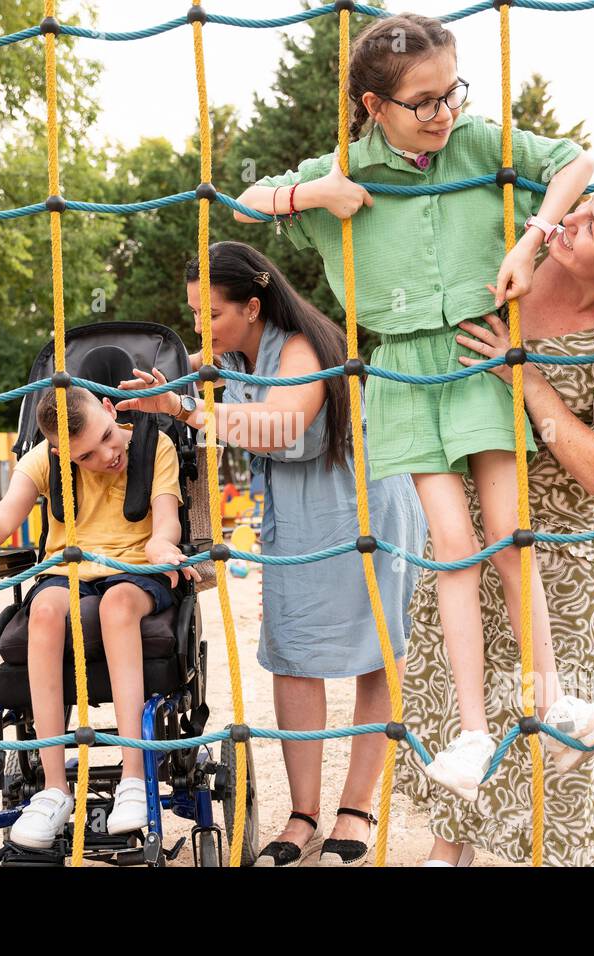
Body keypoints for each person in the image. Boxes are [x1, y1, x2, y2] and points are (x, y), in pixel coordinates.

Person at [233, 13, 594, 800]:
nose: (444, 112)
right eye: (423, 101)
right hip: (403, 371)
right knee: (451, 547)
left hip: (480, 353)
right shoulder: (344, 169)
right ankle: (473, 736)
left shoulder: (477, 143)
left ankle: (556, 705)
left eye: (452, 92)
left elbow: (577, 161)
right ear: (375, 106)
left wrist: (530, 241)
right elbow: (244, 203)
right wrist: (318, 192)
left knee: (510, 538)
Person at [396, 164, 594, 866]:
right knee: (459, 696)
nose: (571, 221)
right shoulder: (524, 249)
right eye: (586, 207)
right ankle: (447, 851)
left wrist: (526, 378)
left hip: (561, 552)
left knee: (551, 715)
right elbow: (560, 168)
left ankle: (555, 856)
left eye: (592, 225)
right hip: (469, 528)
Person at [117, 241, 426, 866]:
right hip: (295, 517)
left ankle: (357, 807)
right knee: (292, 652)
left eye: (210, 312)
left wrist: (185, 407)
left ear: (252, 307)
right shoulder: (230, 353)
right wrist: (121, 391)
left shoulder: (303, 348)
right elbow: (172, 367)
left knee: (377, 652)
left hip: (363, 506)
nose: (200, 326)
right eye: (193, 312)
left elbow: (280, 427)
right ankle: (303, 813)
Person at [0, 386, 198, 848]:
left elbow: (166, 521)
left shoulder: (152, 443)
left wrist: (163, 543)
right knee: (42, 611)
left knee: (116, 605)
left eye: (107, 437)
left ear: (109, 409)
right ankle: (54, 789)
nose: (107, 455)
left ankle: (133, 777)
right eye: (86, 455)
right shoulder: (44, 459)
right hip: (68, 572)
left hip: (136, 569)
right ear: (62, 453)